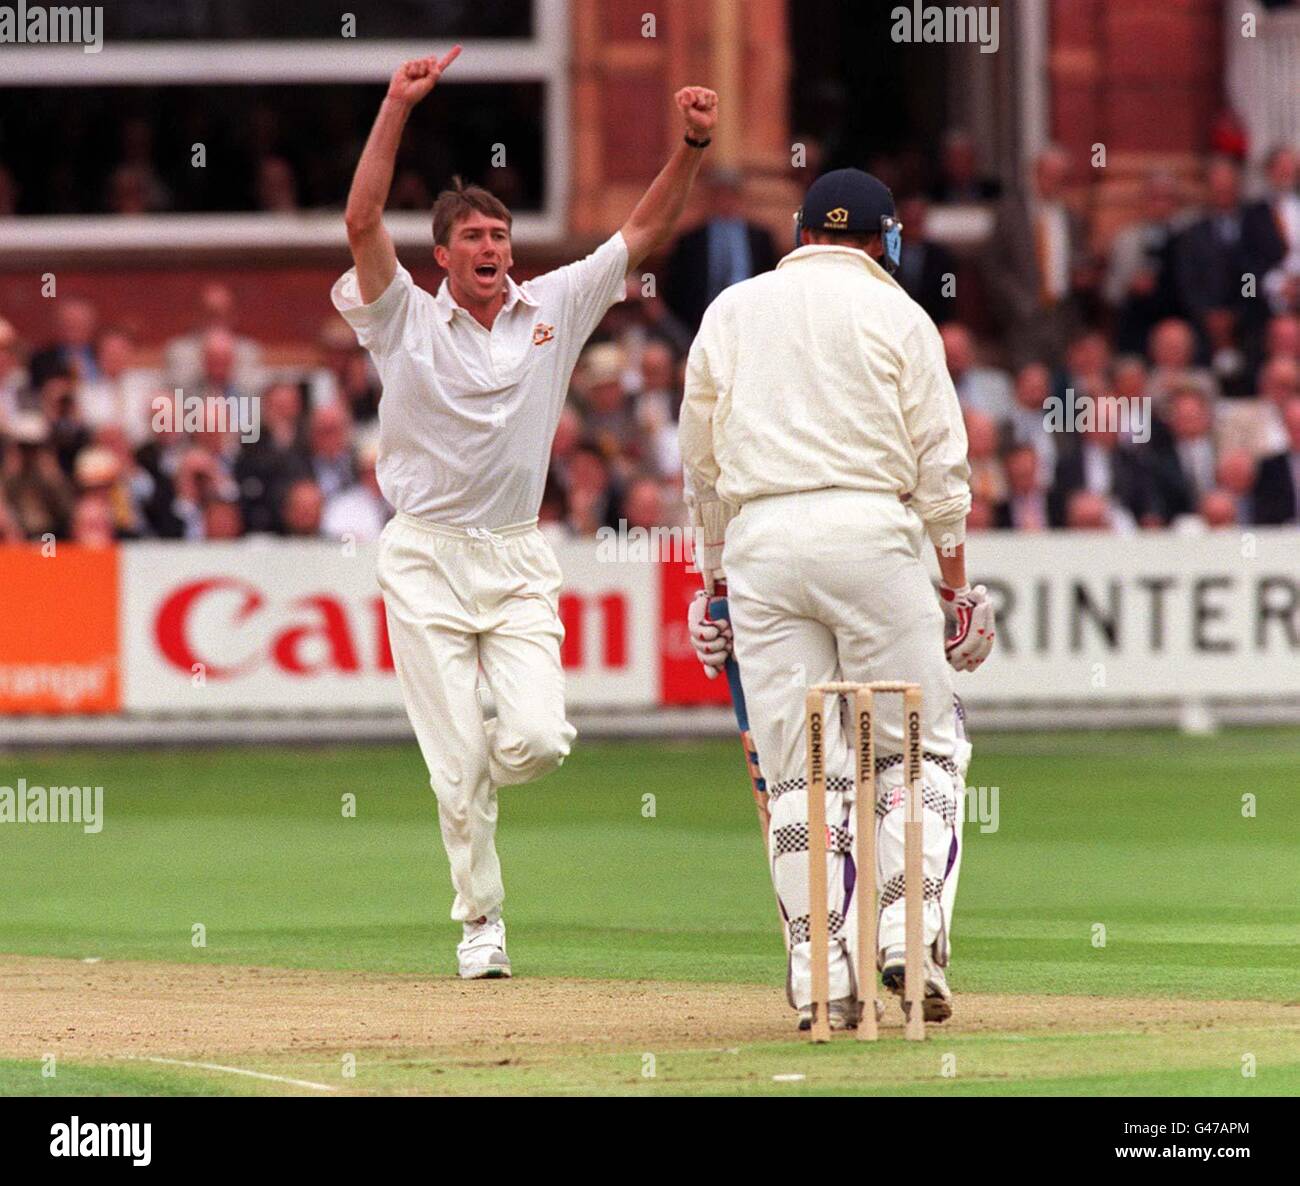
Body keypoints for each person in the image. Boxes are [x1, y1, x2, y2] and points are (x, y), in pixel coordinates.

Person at [332, 46, 717, 980]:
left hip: (512, 554)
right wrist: (395, 105)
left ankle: (468, 778)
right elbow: (360, 217)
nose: (493, 252)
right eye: (474, 241)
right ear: (443, 256)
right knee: (456, 762)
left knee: (537, 741)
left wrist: (693, 148)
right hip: (423, 558)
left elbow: (640, 231)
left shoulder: (553, 305)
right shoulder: (402, 317)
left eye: (501, 239)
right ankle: (482, 923)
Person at [678, 168, 994, 1034]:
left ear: (799, 230)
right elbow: (940, 464)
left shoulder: (731, 310)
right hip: (869, 535)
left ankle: (823, 966)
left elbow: (700, 467)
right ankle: (909, 934)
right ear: (885, 240)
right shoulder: (900, 314)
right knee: (917, 750)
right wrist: (957, 588)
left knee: (800, 767)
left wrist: (714, 591)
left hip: (763, 547)